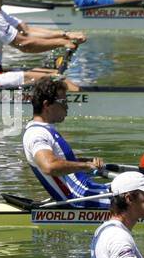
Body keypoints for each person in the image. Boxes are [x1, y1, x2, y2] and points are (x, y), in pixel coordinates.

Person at [22, 77, 110, 206]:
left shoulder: (44, 130)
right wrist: (86, 166)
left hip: (86, 192)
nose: (67, 106)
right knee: (140, 192)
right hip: (81, 199)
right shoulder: (37, 134)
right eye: (63, 101)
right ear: (47, 105)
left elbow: (59, 161)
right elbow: (49, 166)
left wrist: (86, 162)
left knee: (132, 182)